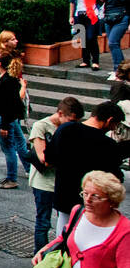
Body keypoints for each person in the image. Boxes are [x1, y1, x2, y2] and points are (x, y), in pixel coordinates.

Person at [47, 100, 127, 233]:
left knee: (63, 236)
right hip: (92, 203)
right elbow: (114, 177)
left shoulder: (65, 129)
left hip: (64, 196)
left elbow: (49, 158)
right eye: (115, 125)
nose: (113, 129)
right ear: (109, 120)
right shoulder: (108, 145)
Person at [29, 97, 83, 252]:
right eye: (71, 120)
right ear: (60, 113)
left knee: (67, 221)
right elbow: (43, 158)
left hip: (64, 182)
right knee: (43, 221)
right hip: (44, 182)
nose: (74, 125)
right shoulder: (41, 126)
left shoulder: (72, 129)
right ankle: (40, 257)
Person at [0, 58, 27, 189]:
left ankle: (12, 178)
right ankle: (25, 170)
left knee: (8, 149)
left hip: (4, 118)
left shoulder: (6, 81)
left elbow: (7, 104)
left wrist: (4, 125)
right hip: (9, 118)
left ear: (0, 63)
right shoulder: (7, 78)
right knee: (16, 144)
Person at [102, 0, 130, 75]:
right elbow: (106, 3)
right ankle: (119, 69)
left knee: (113, 42)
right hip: (109, 17)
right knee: (114, 44)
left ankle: (120, 70)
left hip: (121, 18)